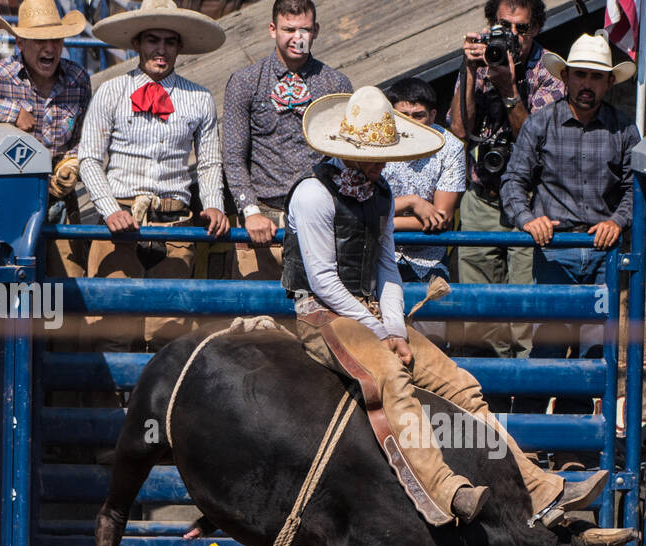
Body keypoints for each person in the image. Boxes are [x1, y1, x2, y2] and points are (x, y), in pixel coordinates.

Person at [284, 87, 609, 527]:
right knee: (393, 380)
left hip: (369, 314)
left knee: (461, 385)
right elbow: (322, 280)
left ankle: (538, 488)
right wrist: (382, 332)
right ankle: (444, 491)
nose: (383, 164)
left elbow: (386, 269)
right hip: (321, 315)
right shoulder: (312, 194)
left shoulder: (378, 196)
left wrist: (394, 328)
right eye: (375, 155)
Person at [499, 32, 638, 417]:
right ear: (566, 78)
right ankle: (528, 439)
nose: (587, 85)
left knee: (593, 349)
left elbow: (634, 191)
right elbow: (513, 180)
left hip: (601, 252)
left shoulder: (624, 130)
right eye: (580, 75)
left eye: (596, 77)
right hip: (556, 251)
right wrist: (529, 219)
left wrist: (618, 220)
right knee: (547, 345)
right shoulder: (541, 124)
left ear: (609, 82)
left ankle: (572, 447)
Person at [78, 0, 229, 351]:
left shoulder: (199, 98)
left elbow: (208, 163)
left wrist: (214, 205)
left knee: (168, 334)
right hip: (120, 222)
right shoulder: (111, 92)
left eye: (169, 42)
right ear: (137, 44)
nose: (161, 50)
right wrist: (109, 208)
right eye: (152, 41)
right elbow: (88, 159)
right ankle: (109, 406)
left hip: (175, 225)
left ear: (179, 47)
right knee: (112, 329)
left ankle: (155, 408)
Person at [447, 0, 564, 365]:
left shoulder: (550, 71)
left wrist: (509, 89)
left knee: (525, 314)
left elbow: (539, 144)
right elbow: (459, 129)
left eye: (522, 28)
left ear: (537, 29)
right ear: (490, 23)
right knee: (480, 312)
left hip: (530, 203)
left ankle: (526, 406)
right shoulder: (482, 59)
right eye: (504, 25)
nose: (512, 36)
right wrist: (469, 70)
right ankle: (489, 403)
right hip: (482, 197)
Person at [0, 0, 92, 279]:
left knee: (64, 289)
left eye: (55, 40)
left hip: (60, 204)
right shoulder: (1, 76)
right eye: (39, 41)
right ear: (20, 42)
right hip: (9, 202)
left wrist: (72, 161)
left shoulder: (78, 79)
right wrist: (11, 112)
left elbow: (84, 136)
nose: (49, 48)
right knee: (11, 286)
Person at [222, 0, 351, 282]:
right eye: (288, 29)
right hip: (262, 219)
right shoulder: (245, 82)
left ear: (316, 30)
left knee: (317, 321)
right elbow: (232, 156)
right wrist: (250, 211)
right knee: (258, 320)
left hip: (319, 218)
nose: (297, 38)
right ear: (272, 29)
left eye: (304, 29)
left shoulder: (336, 84)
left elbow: (345, 156)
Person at [382, 77, 466, 350]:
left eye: (418, 116)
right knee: (378, 342)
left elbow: (441, 219)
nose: (410, 122)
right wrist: (411, 202)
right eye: (402, 115)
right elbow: (358, 208)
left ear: (433, 115)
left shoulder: (449, 146)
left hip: (429, 261)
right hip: (377, 257)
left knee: (434, 346)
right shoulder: (374, 140)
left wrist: (381, 221)